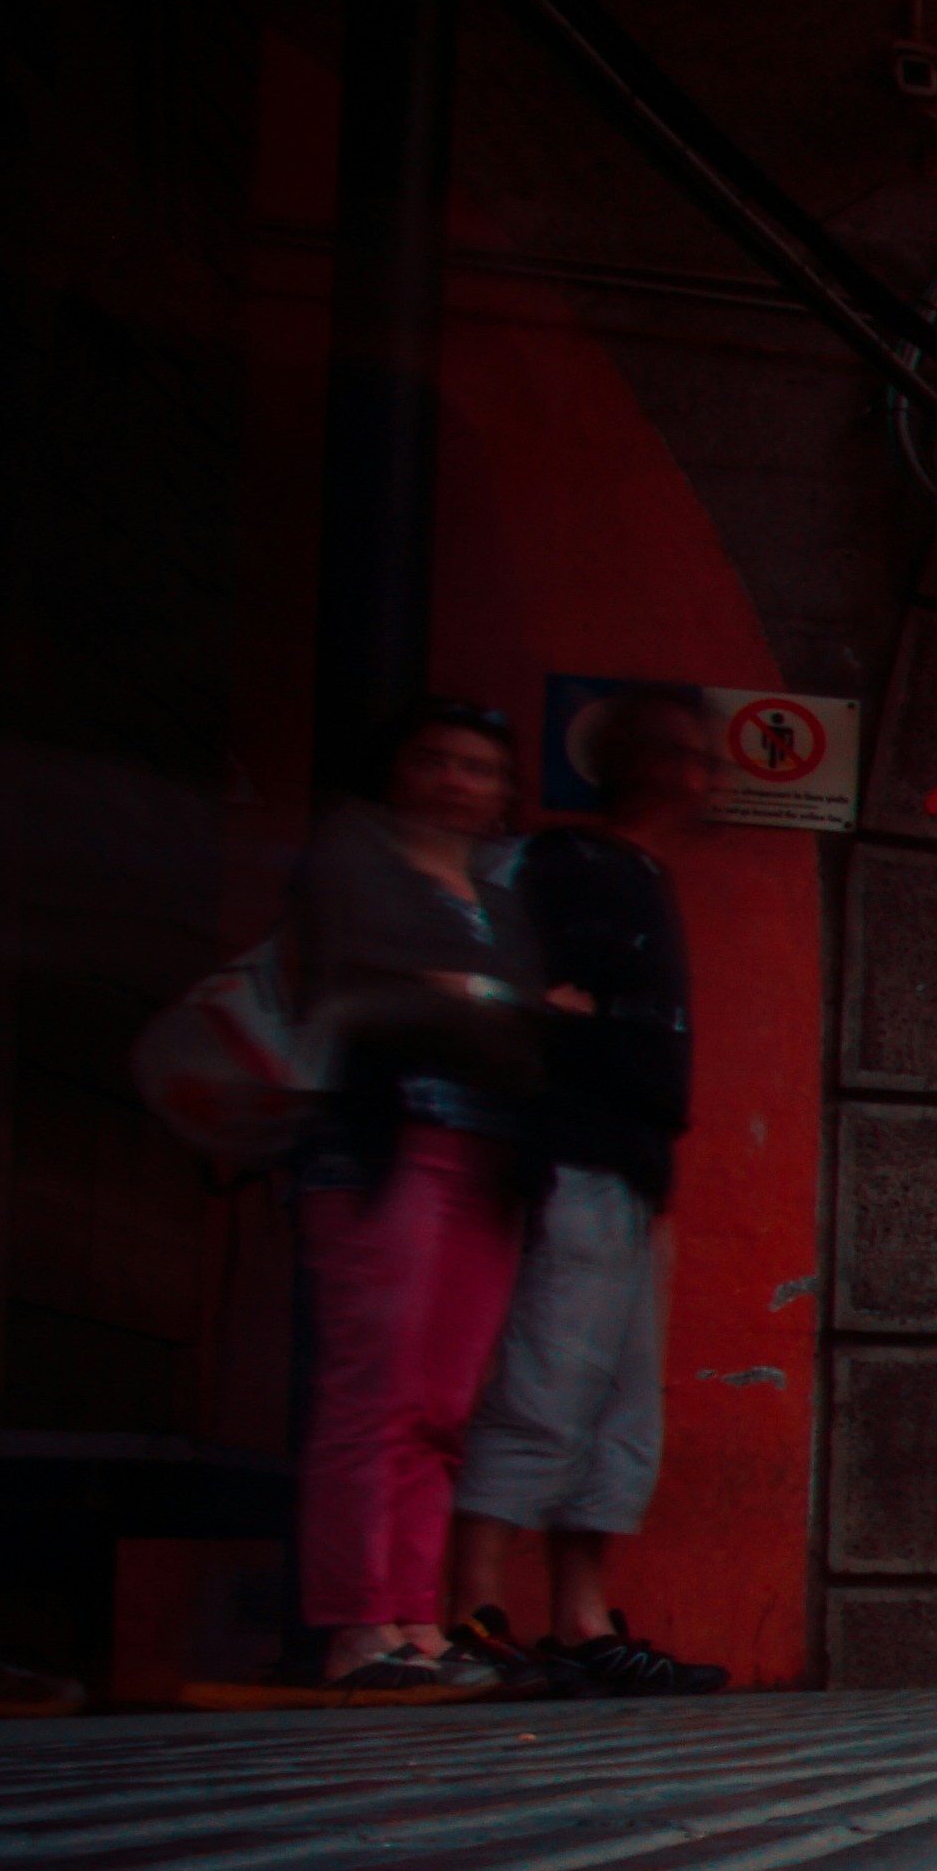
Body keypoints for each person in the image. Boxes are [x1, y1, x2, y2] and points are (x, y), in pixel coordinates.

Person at [452, 688, 727, 1693]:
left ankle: (579, 1614)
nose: (691, 771)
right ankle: (473, 1605)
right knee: (546, 1374)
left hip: (638, 1163)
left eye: (699, 754)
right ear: (624, 759)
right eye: (673, 750)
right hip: (571, 1147)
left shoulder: (643, 874)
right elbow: (480, 973)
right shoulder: (561, 863)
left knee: (619, 1400)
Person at [284, 697, 547, 1697]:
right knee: (373, 1392)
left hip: (485, 1159)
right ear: (395, 772)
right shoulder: (352, 858)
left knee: (439, 1407)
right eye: (434, 760)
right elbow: (381, 987)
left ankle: (415, 1622)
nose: (456, 781)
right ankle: (357, 1626)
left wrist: (470, 992)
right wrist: (492, 1000)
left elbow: (521, 1021)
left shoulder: (494, 896)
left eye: (478, 768)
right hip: (384, 1147)